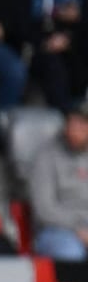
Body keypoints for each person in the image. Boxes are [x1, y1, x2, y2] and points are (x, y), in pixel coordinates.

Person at [28, 100, 88, 262]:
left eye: (82, 125)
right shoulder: (46, 156)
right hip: (56, 229)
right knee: (71, 253)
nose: (75, 130)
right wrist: (78, 227)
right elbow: (44, 210)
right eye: (71, 124)